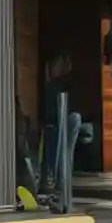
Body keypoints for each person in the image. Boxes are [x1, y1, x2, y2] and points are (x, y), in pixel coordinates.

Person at [40, 52, 82, 193]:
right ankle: (62, 183)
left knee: (60, 151)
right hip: (67, 118)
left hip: (63, 119)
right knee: (65, 152)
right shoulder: (66, 83)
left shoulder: (58, 84)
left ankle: (58, 182)